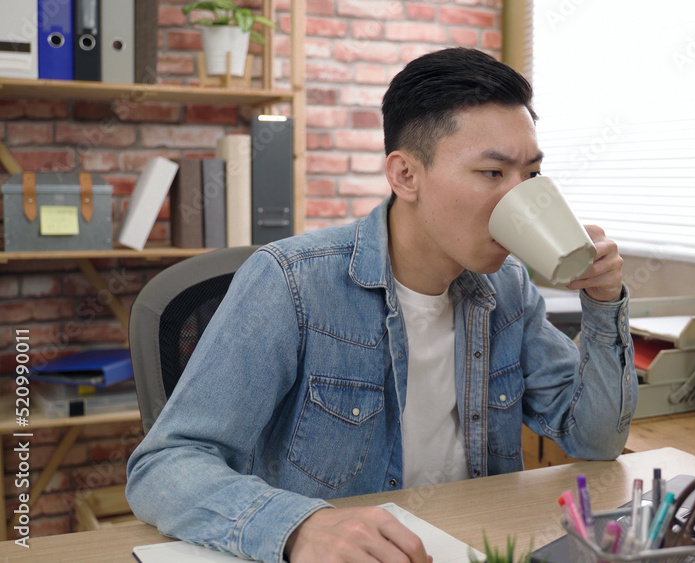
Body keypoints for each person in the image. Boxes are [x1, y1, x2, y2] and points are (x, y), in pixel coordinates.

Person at [126, 47, 638, 563]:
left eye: (529, 176)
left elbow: (594, 440)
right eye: (491, 173)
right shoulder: (292, 284)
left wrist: (603, 302)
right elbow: (165, 465)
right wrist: (300, 528)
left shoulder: (506, 288)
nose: (517, 196)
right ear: (405, 176)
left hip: (472, 543)